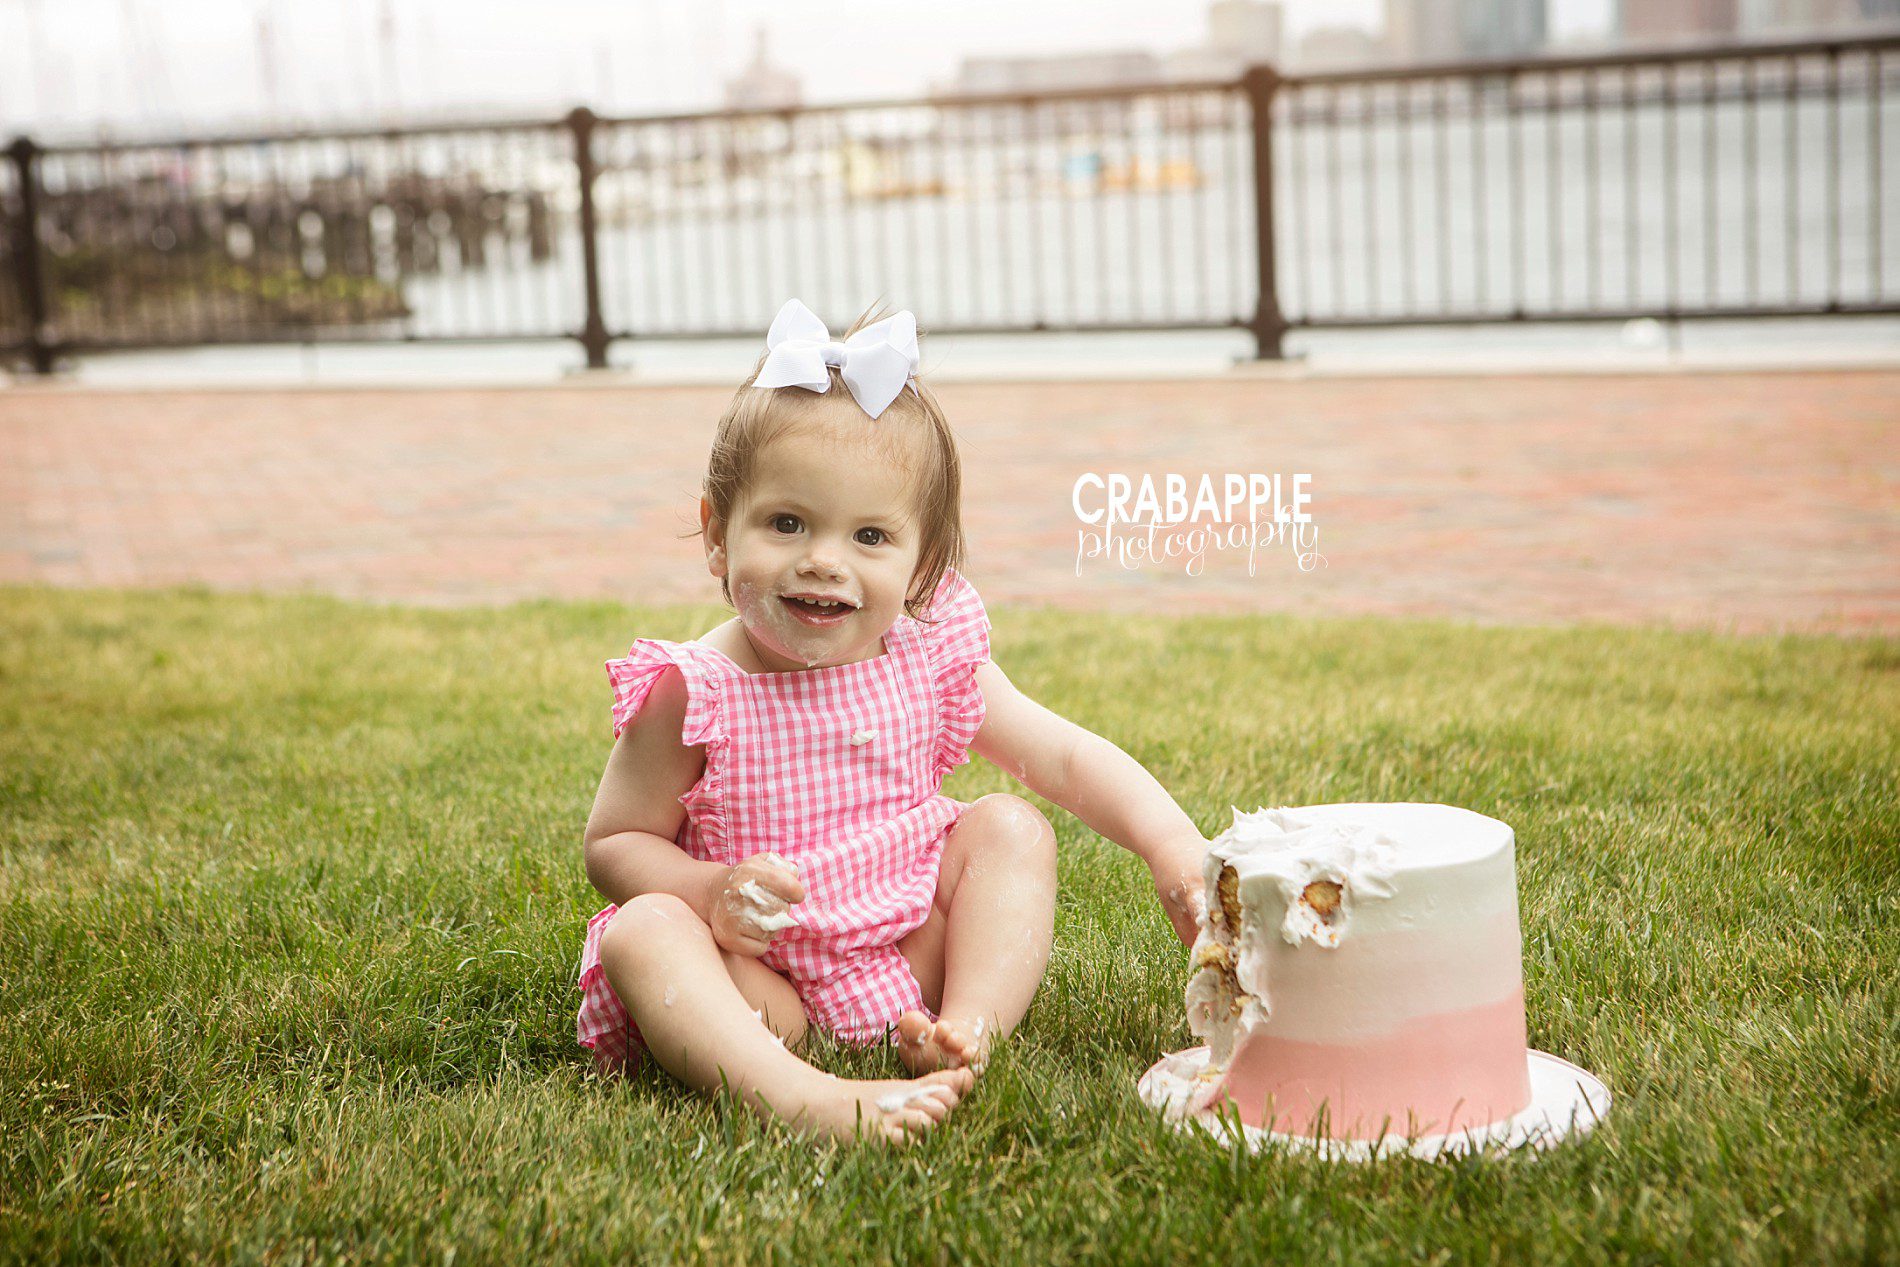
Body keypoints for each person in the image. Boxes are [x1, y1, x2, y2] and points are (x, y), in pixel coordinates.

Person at [575, 298, 1210, 1146]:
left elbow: (1057, 756)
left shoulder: (925, 652)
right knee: (645, 931)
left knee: (1012, 829)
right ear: (717, 535)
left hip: (909, 944)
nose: (823, 559)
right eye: (786, 521)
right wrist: (707, 894)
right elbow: (613, 843)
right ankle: (797, 1094)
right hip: (759, 979)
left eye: (870, 534)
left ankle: (963, 1031)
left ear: (924, 566)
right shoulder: (694, 689)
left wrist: (1170, 843)